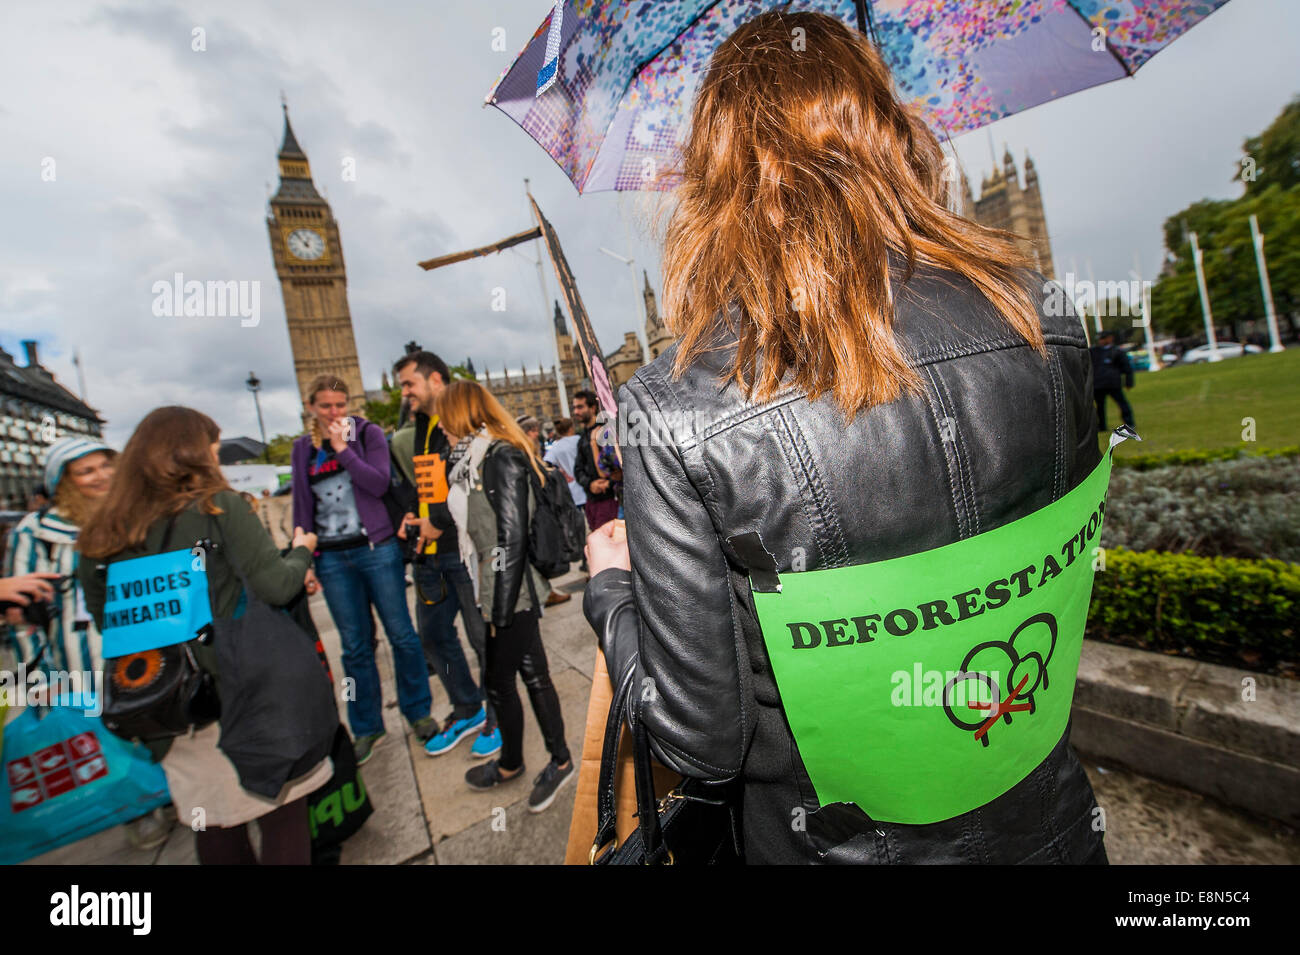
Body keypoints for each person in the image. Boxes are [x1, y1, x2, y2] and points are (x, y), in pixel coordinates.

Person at [581, 10, 1107, 864]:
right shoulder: (1044, 316)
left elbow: (700, 742)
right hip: (1051, 830)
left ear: (717, 176)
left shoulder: (674, 407)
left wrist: (611, 592)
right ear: (890, 131)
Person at [77, 406, 329, 865]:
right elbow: (276, 586)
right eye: (213, 451)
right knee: (281, 813)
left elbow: (108, 622)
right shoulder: (216, 506)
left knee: (212, 822)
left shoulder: (100, 534)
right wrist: (301, 552)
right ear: (194, 454)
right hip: (245, 692)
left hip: (167, 703)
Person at [3, 437, 171, 851]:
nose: (101, 477)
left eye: (106, 466)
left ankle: (173, 789)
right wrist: (38, 678)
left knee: (161, 714)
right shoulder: (37, 532)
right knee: (107, 731)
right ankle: (138, 808)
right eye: (87, 471)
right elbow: (20, 615)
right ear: (64, 482)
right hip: (79, 653)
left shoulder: (136, 515)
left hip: (146, 640)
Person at [436, 380, 574, 812]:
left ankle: (515, 762)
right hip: (495, 585)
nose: (440, 427)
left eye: (444, 417)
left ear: (459, 413)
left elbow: (512, 539)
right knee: (533, 675)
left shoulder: (501, 456)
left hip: (511, 591)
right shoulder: (470, 461)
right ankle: (558, 760)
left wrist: (497, 613)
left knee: (498, 681)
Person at [291, 375, 435, 764]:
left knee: (402, 635)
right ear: (311, 408)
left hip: (377, 550)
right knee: (354, 649)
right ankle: (367, 725)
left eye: (340, 405)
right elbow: (302, 509)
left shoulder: (368, 434)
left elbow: (378, 482)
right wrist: (302, 562)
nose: (334, 413)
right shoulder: (302, 449)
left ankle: (419, 711)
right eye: (325, 406)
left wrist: (342, 449)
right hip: (332, 560)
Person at [390, 350, 500, 759]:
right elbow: (424, 481)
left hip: (460, 547)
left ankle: (498, 714)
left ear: (434, 380)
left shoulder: (463, 416)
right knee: (434, 636)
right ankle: (467, 705)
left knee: (481, 638)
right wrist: (412, 516)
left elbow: (475, 478)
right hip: (428, 551)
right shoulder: (417, 423)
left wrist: (438, 519)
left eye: (408, 384)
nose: (404, 394)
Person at [571, 391, 618, 531]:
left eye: (580, 407)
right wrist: (590, 484)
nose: (576, 411)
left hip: (610, 499)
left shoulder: (607, 431)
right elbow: (578, 469)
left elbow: (620, 465)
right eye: (574, 408)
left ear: (592, 408)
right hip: (591, 501)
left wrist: (608, 484)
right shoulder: (582, 438)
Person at [1090, 330, 1136, 432]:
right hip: (1098, 384)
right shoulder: (1094, 351)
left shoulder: (1117, 352)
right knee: (1099, 406)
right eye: (1100, 339)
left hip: (1112, 383)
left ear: (1110, 338)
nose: (1101, 341)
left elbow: (1127, 368)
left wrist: (1129, 382)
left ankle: (1129, 423)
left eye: (1103, 338)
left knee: (1122, 403)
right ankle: (1101, 425)